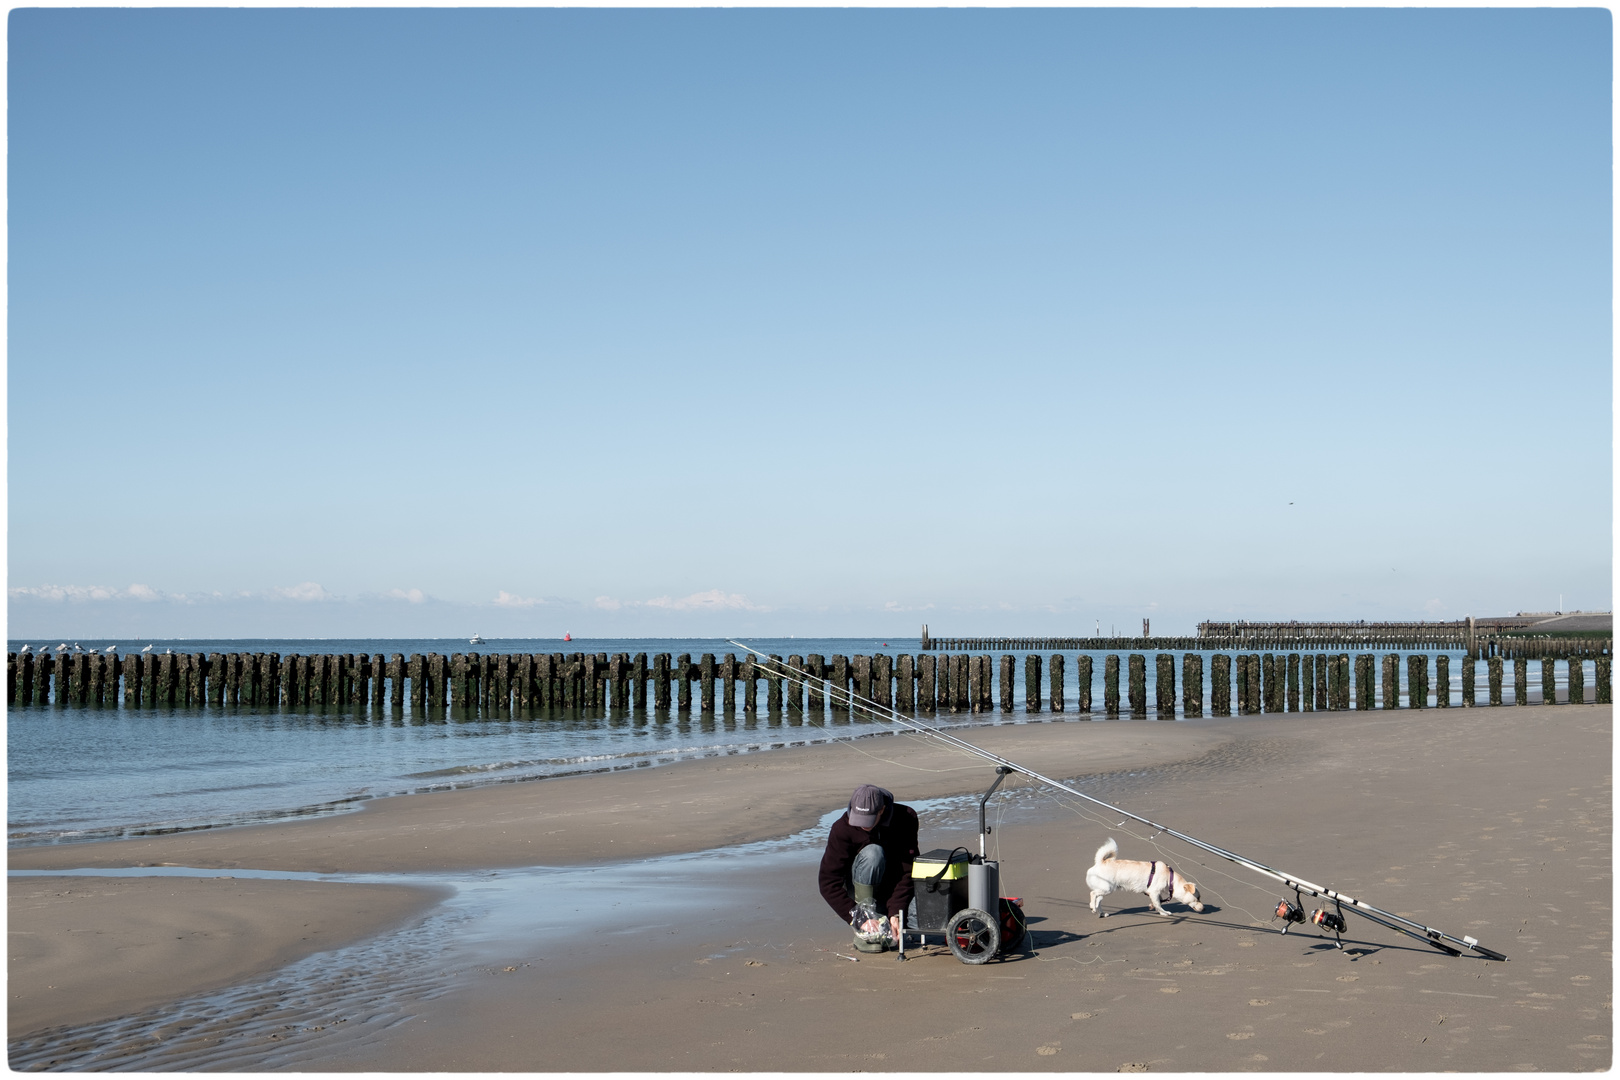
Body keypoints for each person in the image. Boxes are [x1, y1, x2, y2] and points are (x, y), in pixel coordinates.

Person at [818, 784, 919, 953]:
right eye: (858, 818)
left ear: (882, 810)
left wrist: (896, 913)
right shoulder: (841, 828)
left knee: (918, 923)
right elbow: (828, 882)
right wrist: (858, 919)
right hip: (857, 890)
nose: (863, 825)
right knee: (873, 853)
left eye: (869, 819)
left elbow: (908, 870)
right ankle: (866, 924)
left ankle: (887, 915)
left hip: (892, 885)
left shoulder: (906, 818)